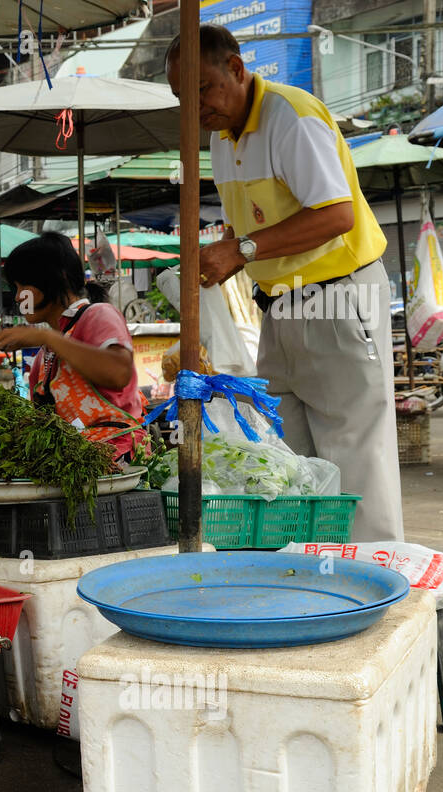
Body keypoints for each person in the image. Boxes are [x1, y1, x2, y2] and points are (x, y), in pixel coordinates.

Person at [167, 24, 403, 541]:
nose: (195, 107)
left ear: (235, 68)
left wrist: (242, 249)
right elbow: (247, 226)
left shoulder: (290, 117)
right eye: (182, 98)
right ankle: (315, 579)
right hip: (280, 305)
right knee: (291, 459)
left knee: (355, 454)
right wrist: (228, 252)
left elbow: (337, 214)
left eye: (202, 89)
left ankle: (373, 588)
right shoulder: (220, 139)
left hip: (339, 296)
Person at [0, 232, 146, 461]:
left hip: (117, 463)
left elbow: (119, 373)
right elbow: (39, 423)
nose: (18, 298)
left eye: (23, 287)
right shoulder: (45, 355)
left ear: (58, 279)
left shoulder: (97, 315)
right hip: (71, 463)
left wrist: (48, 338)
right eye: (15, 289)